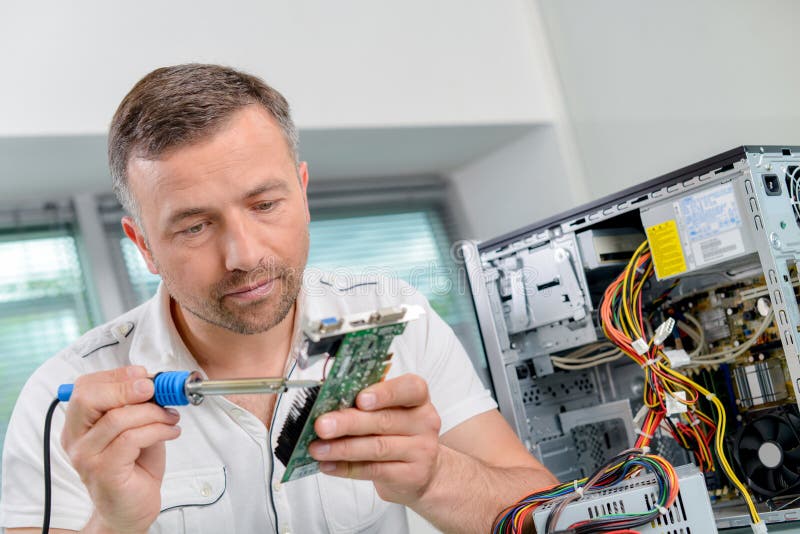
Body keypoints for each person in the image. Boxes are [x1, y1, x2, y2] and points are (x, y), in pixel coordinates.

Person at [0, 64, 556, 534]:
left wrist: (436, 477)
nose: (243, 254)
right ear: (143, 246)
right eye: (195, 226)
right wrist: (113, 525)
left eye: (265, 205)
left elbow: (549, 510)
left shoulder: (393, 317)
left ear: (303, 191)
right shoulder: (61, 401)